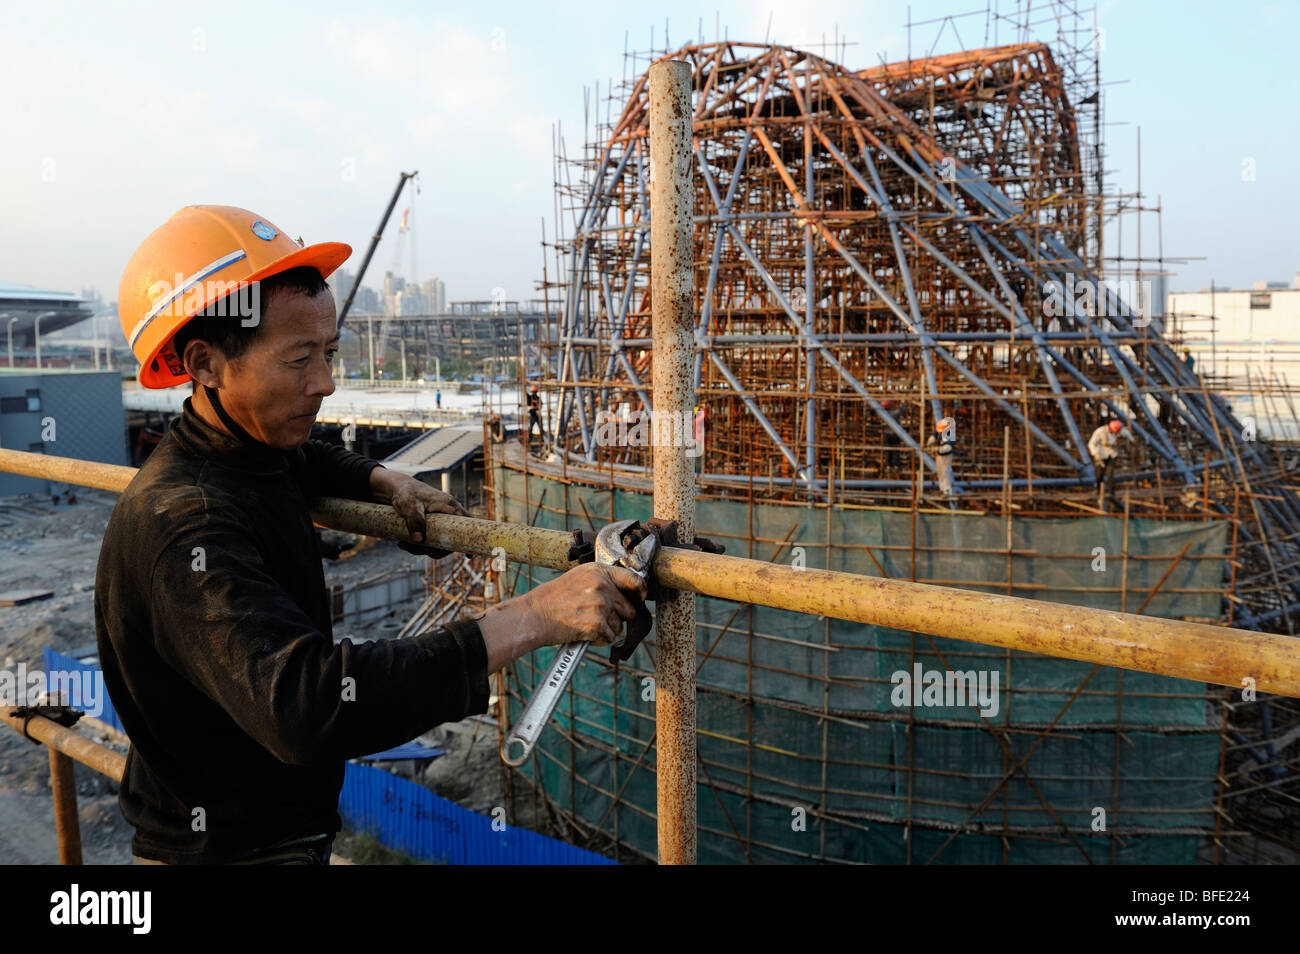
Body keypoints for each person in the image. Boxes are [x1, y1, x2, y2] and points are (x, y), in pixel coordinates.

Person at [100, 205, 646, 865]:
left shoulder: (243, 449)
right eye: (299, 359)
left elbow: (310, 460)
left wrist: (382, 479)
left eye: (328, 353)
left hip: (274, 838)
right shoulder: (183, 523)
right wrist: (531, 616)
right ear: (206, 363)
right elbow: (307, 705)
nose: (325, 383)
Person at [1087, 417, 1128, 503]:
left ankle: (1110, 492)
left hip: (1111, 454)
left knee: (1110, 473)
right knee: (1099, 474)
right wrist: (1095, 454)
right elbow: (1091, 443)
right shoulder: (1100, 432)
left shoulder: (1116, 432)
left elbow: (1124, 435)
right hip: (1100, 455)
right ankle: (1098, 490)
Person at [925, 416, 957, 497]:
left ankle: (947, 490)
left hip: (946, 456)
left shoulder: (950, 435)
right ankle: (942, 488)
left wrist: (936, 449)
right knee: (940, 472)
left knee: (946, 472)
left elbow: (947, 448)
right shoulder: (940, 429)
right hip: (939, 456)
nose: (939, 433)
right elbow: (935, 433)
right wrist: (931, 439)